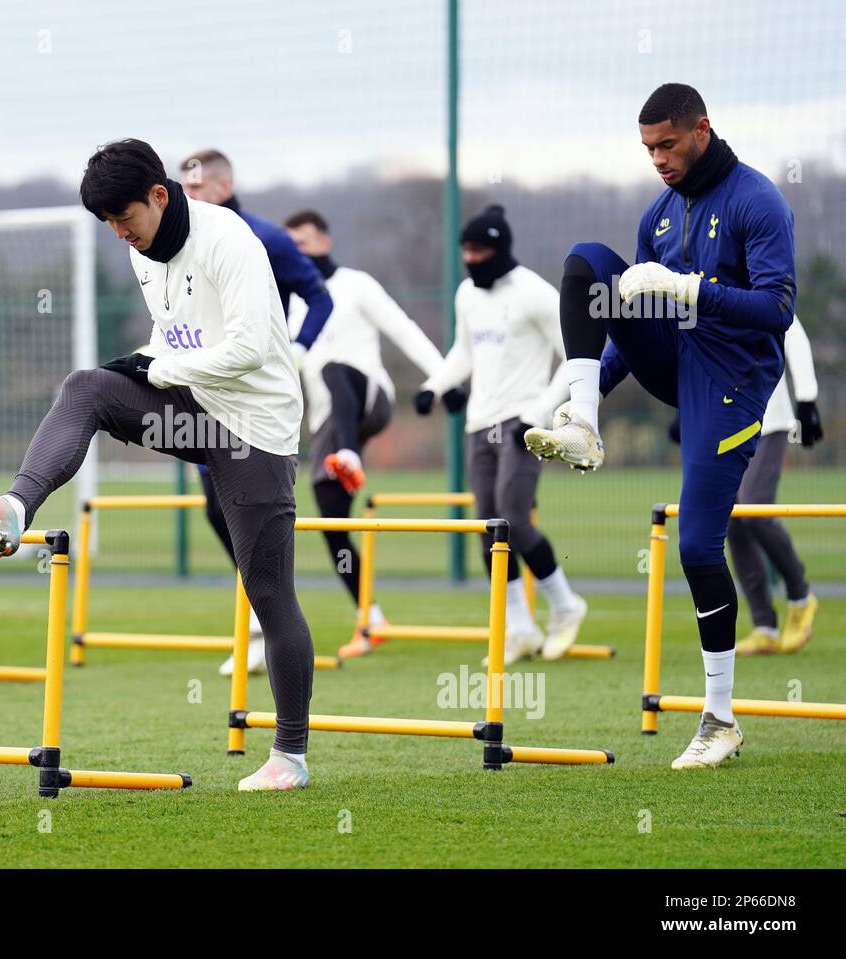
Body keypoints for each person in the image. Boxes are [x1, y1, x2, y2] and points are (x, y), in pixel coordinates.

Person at [0, 139, 314, 792]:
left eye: (126, 219)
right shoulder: (142, 252)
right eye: (108, 225)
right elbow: (173, 338)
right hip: (195, 410)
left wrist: (162, 367)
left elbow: (252, 347)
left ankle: (290, 755)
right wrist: (141, 362)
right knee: (85, 386)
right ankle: (14, 512)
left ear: (161, 196)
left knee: (269, 592)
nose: (121, 234)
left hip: (256, 428)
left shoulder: (229, 242)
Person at [525, 83, 797, 769]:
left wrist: (690, 290)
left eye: (667, 145)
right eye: (647, 149)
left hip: (731, 385)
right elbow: (629, 325)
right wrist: (586, 391)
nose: (658, 159)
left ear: (701, 128)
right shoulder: (658, 216)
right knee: (588, 259)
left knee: (699, 548)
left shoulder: (758, 200)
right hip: (676, 362)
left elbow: (776, 312)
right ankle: (584, 425)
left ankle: (720, 720)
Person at [181, 149, 333, 674]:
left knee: (254, 512)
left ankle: (269, 628)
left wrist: (297, 351)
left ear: (223, 186)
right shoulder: (183, 243)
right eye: (183, 188)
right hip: (207, 394)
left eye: (197, 187)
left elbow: (320, 299)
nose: (188, 197)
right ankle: (257, 623)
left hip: (258, 403)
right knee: (214, 509)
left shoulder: (265, 238)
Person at [417, 205, 588, 665]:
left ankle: (567, 607)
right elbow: (463, 352)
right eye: (465, 251)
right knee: (489, 530)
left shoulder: (534, 293)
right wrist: (435, 385)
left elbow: (574, 357)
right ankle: (520, 629)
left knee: (514, 518)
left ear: (499, 249)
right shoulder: (468, 295)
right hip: (480, 423)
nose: (470, 259)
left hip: (522, 423)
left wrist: (538, 413)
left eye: (478, 250)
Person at [279, 208, 446, 660]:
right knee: (334, 524)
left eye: (307, 242)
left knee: (335, 369)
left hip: (372, 399)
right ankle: (371, 616)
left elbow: (403, 330)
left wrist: (442, 379)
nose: (300, 252)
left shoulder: (357, 285)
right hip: (328, 427)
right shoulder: (288, 301)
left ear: (326, 241)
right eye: (291, 246)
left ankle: (350, 453)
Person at [668, 315, 821, 655]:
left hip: (770, 419)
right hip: (725, 424)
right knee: (732, 521)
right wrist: (683, 411)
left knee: (754, 506)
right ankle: (764, 625)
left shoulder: (759, 286)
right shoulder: (705, 295)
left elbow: (795, 335)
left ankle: (801, 596)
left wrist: (807, 399)